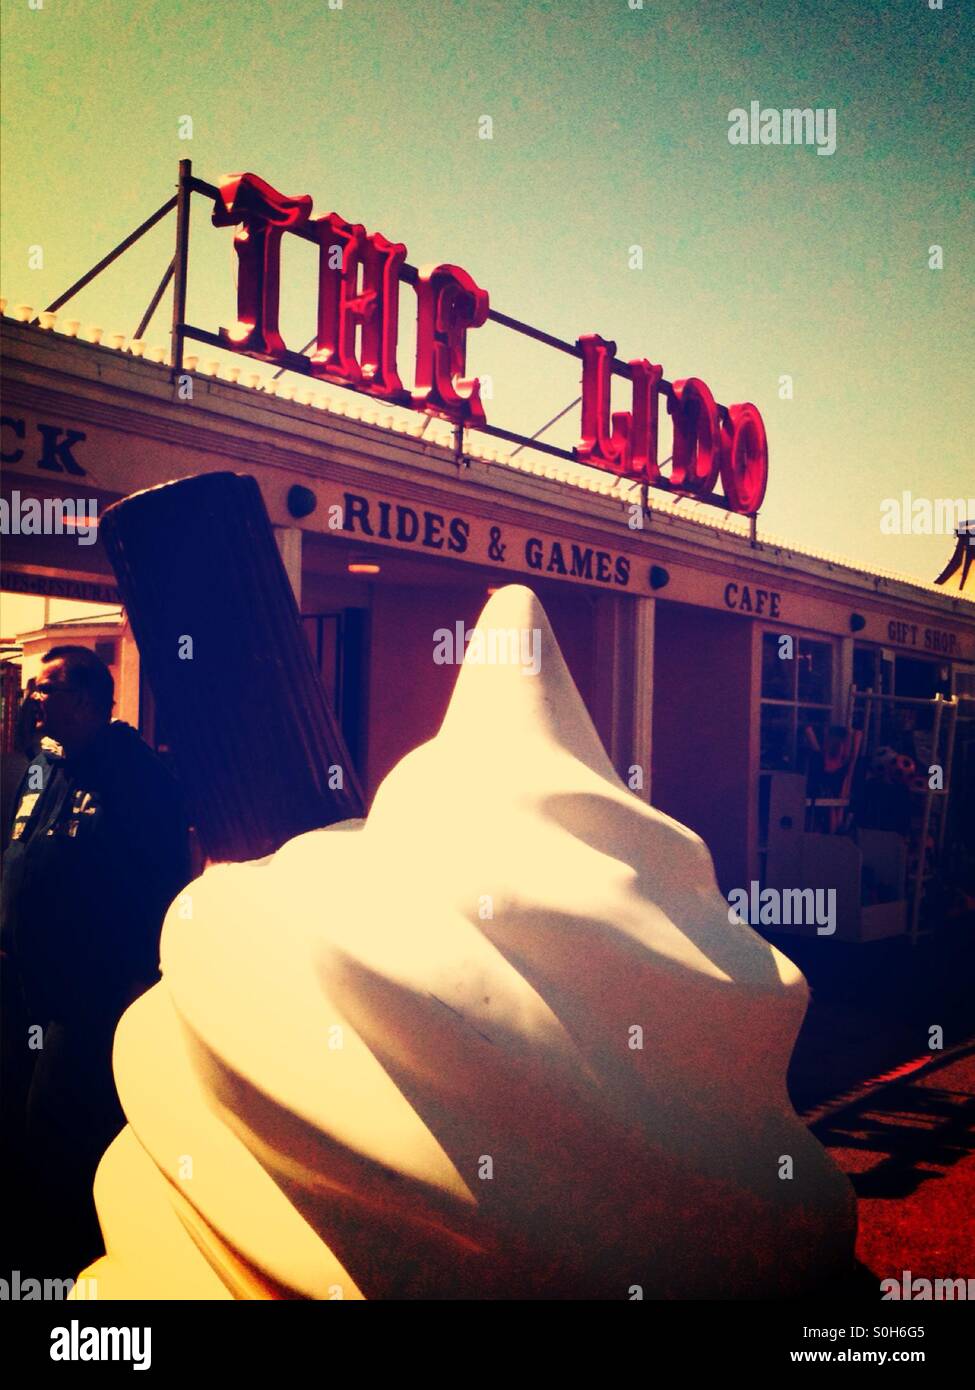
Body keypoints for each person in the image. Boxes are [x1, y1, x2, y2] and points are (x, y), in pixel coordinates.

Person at [0, 645, 191, 1275]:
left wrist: (139, 977)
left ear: (84, 700)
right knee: (23, 1130)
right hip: (25, 987)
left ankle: (76, 1272)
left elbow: (160, 879)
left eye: (46, 688)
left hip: (90, 998)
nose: (32, 697)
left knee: (64, 1133)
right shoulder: (46, 768)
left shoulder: (134, 775)